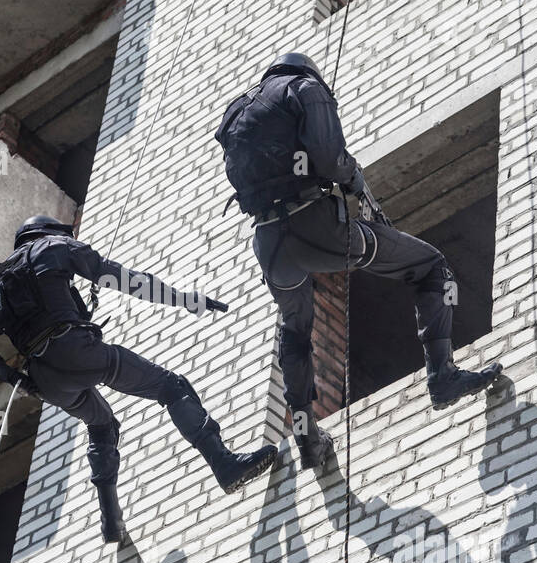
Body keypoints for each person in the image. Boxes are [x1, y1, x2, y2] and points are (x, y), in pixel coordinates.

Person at [215, 51, 502, 471]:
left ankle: (306, 435)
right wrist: (355, 180)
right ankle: (442, 377)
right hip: (314, 227)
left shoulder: (238, 111)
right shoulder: (305, 88)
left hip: (268, 243)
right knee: (431, 267)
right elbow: (330, 157)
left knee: (295, 332)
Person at [0, 215, 278, 544]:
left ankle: (111, 524)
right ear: (51, 232)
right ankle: (225, 465)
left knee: (102, 426)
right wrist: (185, 299)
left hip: (46, 379)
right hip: (78, 350)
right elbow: (128, 280)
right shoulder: (54, 246)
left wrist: (20, 381)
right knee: (172, 387)